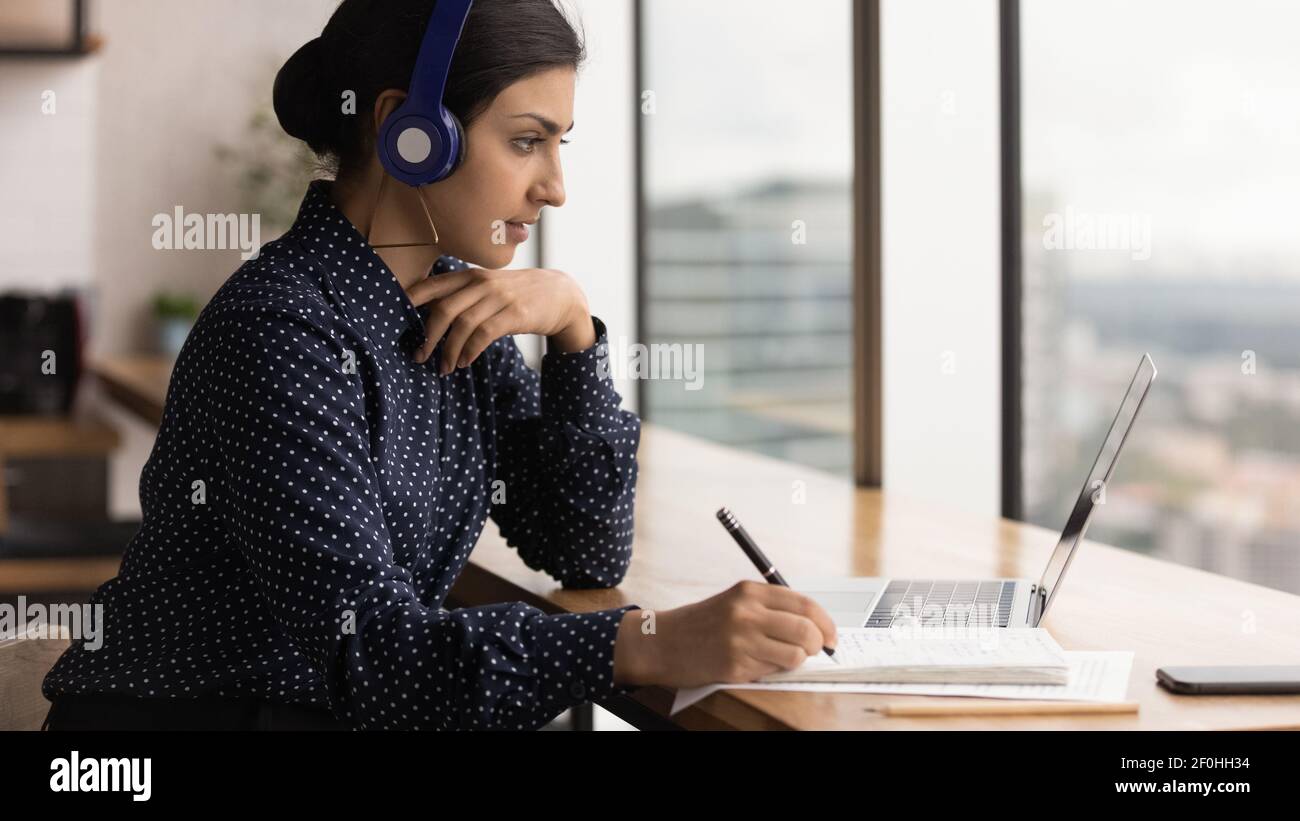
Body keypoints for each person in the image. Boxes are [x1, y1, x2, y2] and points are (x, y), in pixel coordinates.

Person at [42, 0, 837, 731]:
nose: (555, 187)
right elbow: (376, 659)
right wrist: (648, 642)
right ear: (407, 130)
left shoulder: (451, 314)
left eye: (561, 144)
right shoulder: (280, 331)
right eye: (527, 141)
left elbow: (585, 549)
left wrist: (570, 329)